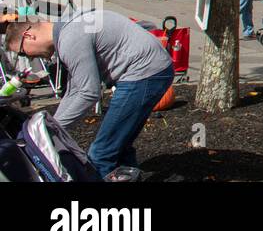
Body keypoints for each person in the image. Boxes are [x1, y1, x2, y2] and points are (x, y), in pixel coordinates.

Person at [4, 10, 174, 178]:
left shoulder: (70, 37)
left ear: (29, 36)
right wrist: (51, 126)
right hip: (150, 70)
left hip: (145, 74)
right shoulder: (66, 29)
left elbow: (88, 92)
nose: (29, 58)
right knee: (119, 143)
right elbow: (74, 89)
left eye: (22, 52)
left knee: (100, 154)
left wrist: (51, 130)